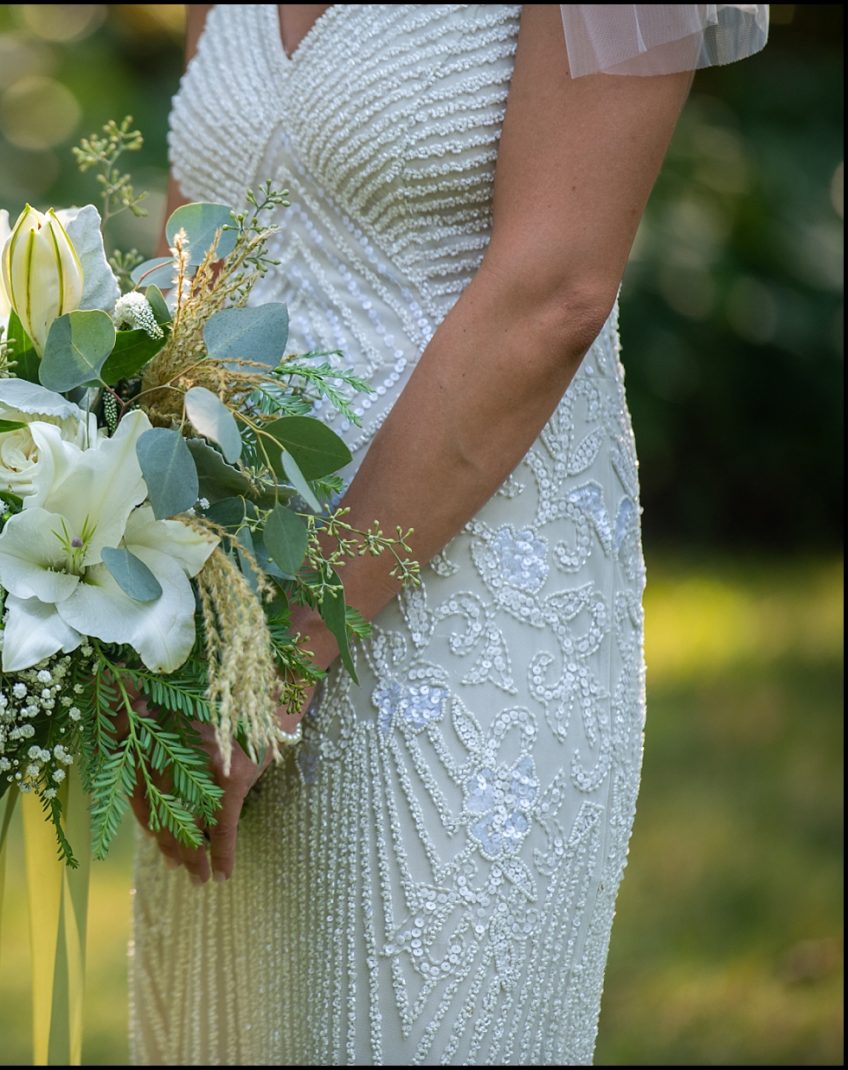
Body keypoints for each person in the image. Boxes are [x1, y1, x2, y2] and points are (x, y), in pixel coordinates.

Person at [128, 5, 770, 1063]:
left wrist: (279, 659)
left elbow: (552, 294)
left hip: (459, 617)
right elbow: (192, 254)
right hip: (221, 599)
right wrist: (138, 582)